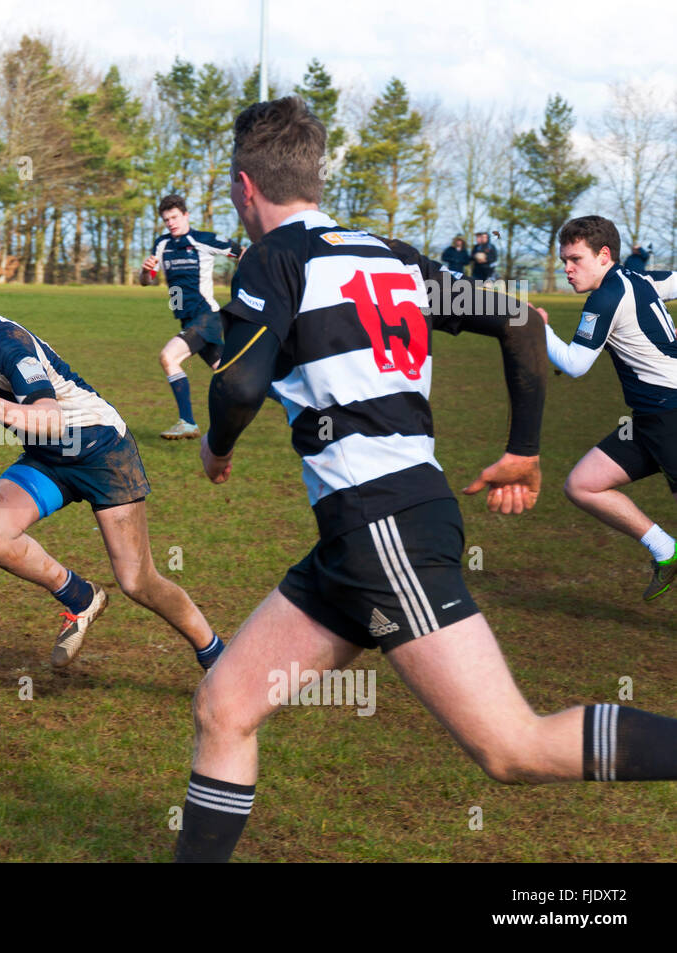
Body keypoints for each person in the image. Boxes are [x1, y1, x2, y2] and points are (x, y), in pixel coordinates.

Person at [174, 98, 677, 863]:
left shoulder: (275, 259)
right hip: (361, 533)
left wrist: (215, 445)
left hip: (383, 527)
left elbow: (238, 388)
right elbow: (515, 321)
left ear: (246, 188)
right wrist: (524, 448)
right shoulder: (392, 254)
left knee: (513, 745)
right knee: (227, 702)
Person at [0, 251, 223, 671]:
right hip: (49, 456)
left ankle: (215, 653)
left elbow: (49, 416)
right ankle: (80, 597)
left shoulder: (9, 345)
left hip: (102, 451)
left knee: (138, 581)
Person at [543, 215, 677, 600]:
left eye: (575, 260)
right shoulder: (639, 278)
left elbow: (575, 364)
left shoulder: (606, 296)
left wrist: (539, 329)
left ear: (603, 255)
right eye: (563, 260)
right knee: (583, 485)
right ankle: (665, 550)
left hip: (670, 415)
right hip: (649, 419)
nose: (567, 269)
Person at [140, 194, 242, 440]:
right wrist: (144, 272)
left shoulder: (203, 240)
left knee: (168, 357)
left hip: (207, 317)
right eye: (166, 220)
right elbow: (147, 281)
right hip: (188, 320)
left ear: (186, 215)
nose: (171, 223)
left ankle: (187, 422)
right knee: (232, 376)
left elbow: (242, 252)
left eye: (174, 217)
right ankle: (294, 401)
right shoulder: (162, 244)